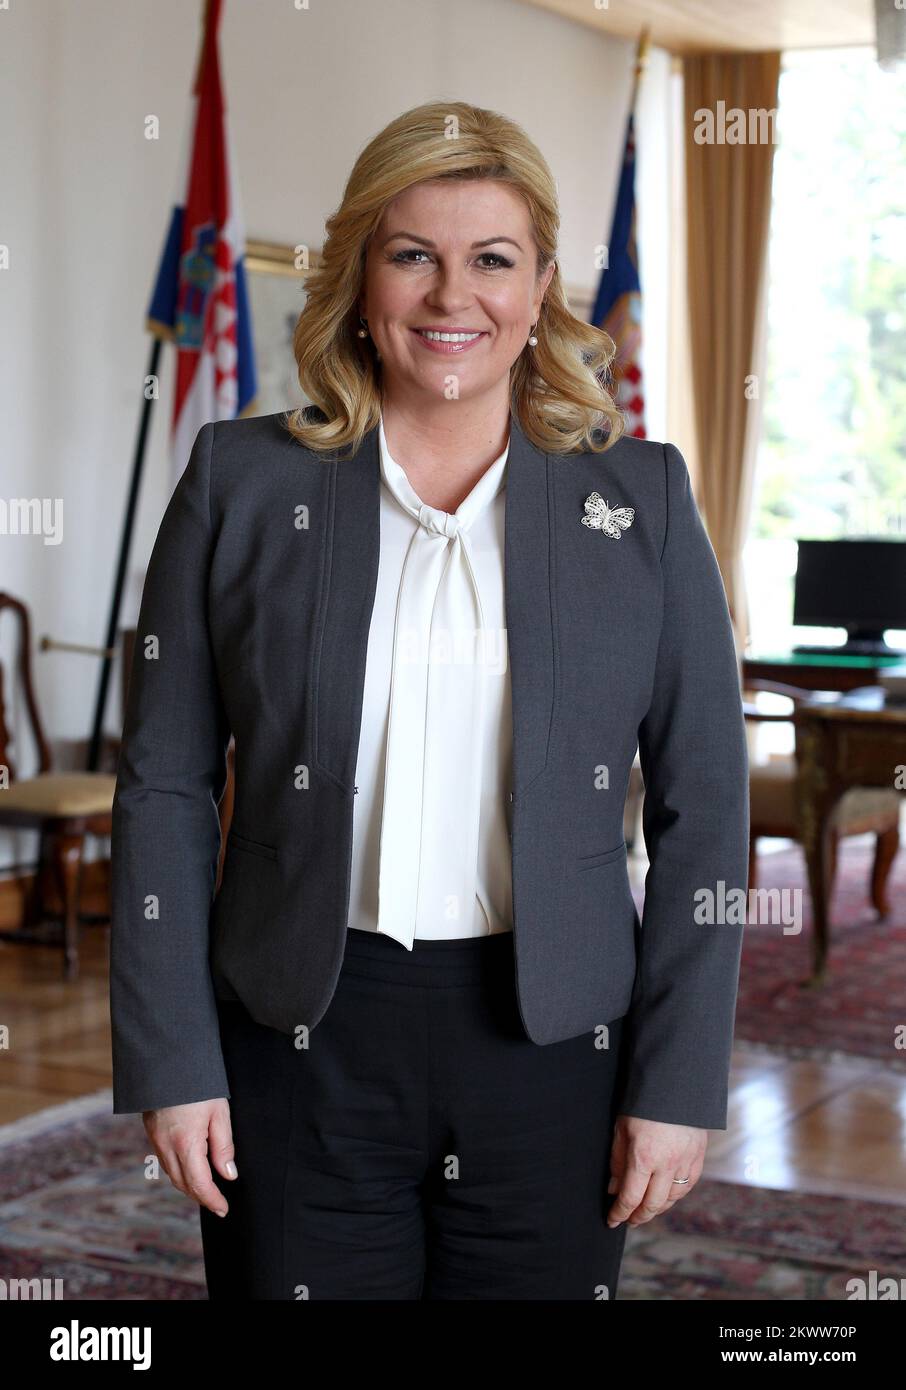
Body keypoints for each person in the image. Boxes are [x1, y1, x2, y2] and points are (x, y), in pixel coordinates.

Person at [109, 100, 750, 1301]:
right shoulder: (242, 484)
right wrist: (171, 1056)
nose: (454, 296)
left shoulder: (643, 501)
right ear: (362, 275)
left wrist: (677, 1082)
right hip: (296, 1038)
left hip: (555, 1049)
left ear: (542, 285)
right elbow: (162, 787)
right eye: (414, 255)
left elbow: (705, 811)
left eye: (492, 259)